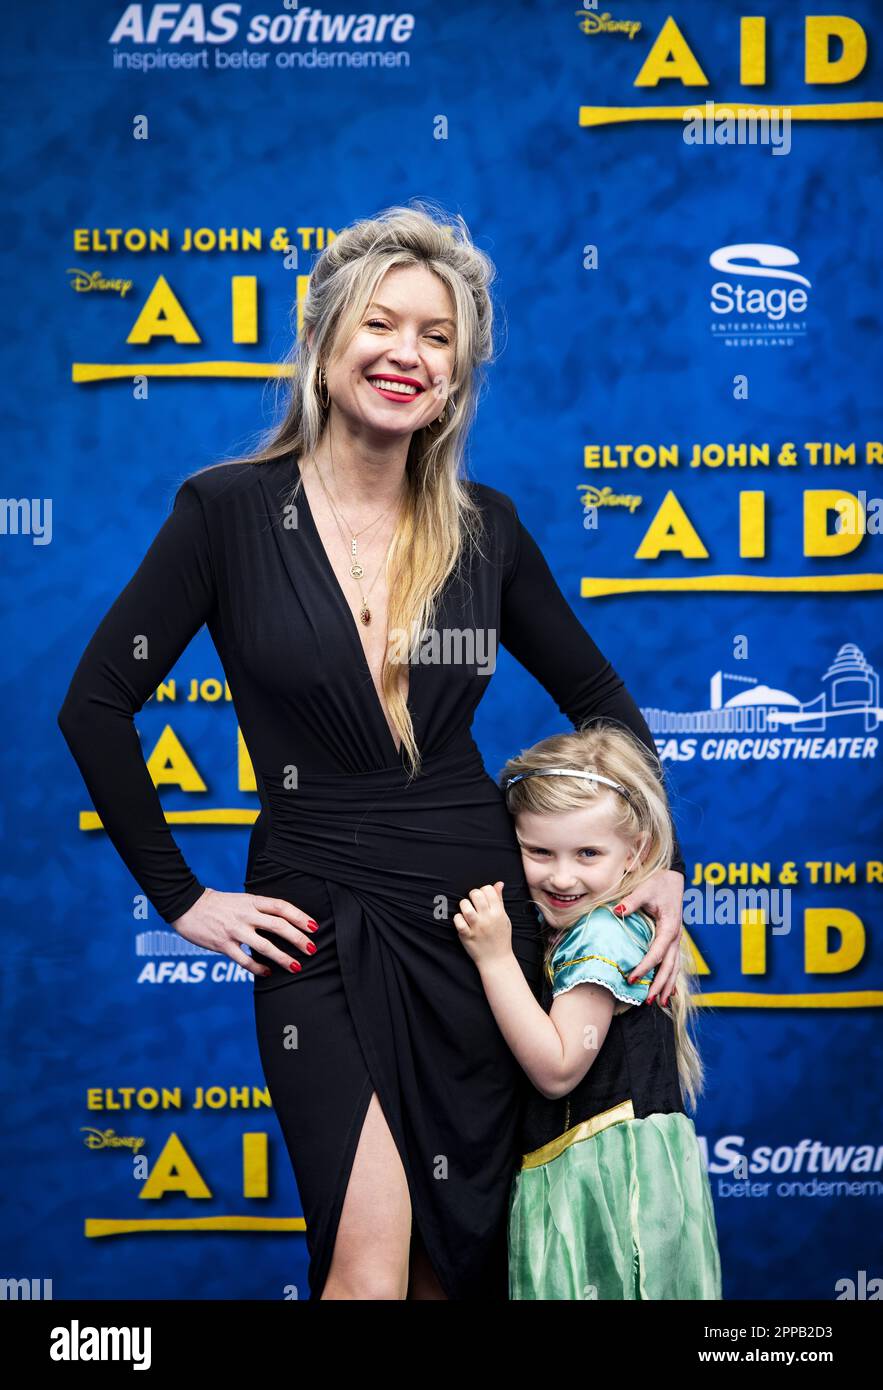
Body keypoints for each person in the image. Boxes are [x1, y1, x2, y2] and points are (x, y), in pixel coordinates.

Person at [57, 200, 689, 1302]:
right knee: (366, 1257)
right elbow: (96, 702)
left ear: (457, 376)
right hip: (313, 927)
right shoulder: (226, 514)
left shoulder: (484, 529)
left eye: (437, 338)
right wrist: (179, 897)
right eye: (382, 325)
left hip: (475, 921)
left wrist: (656, 870)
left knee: (464, 1260)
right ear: (325, 339)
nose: (407, 354)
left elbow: (601, 700)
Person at [452, 721, 722, 1299]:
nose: (562, 875)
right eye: (538, 852)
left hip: (605, 1189)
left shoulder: (606, 931)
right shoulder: (581, 924)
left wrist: (494, 958)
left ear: (638, 854)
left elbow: (558, 1070)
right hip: (583, 1172)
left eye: (588, 853)